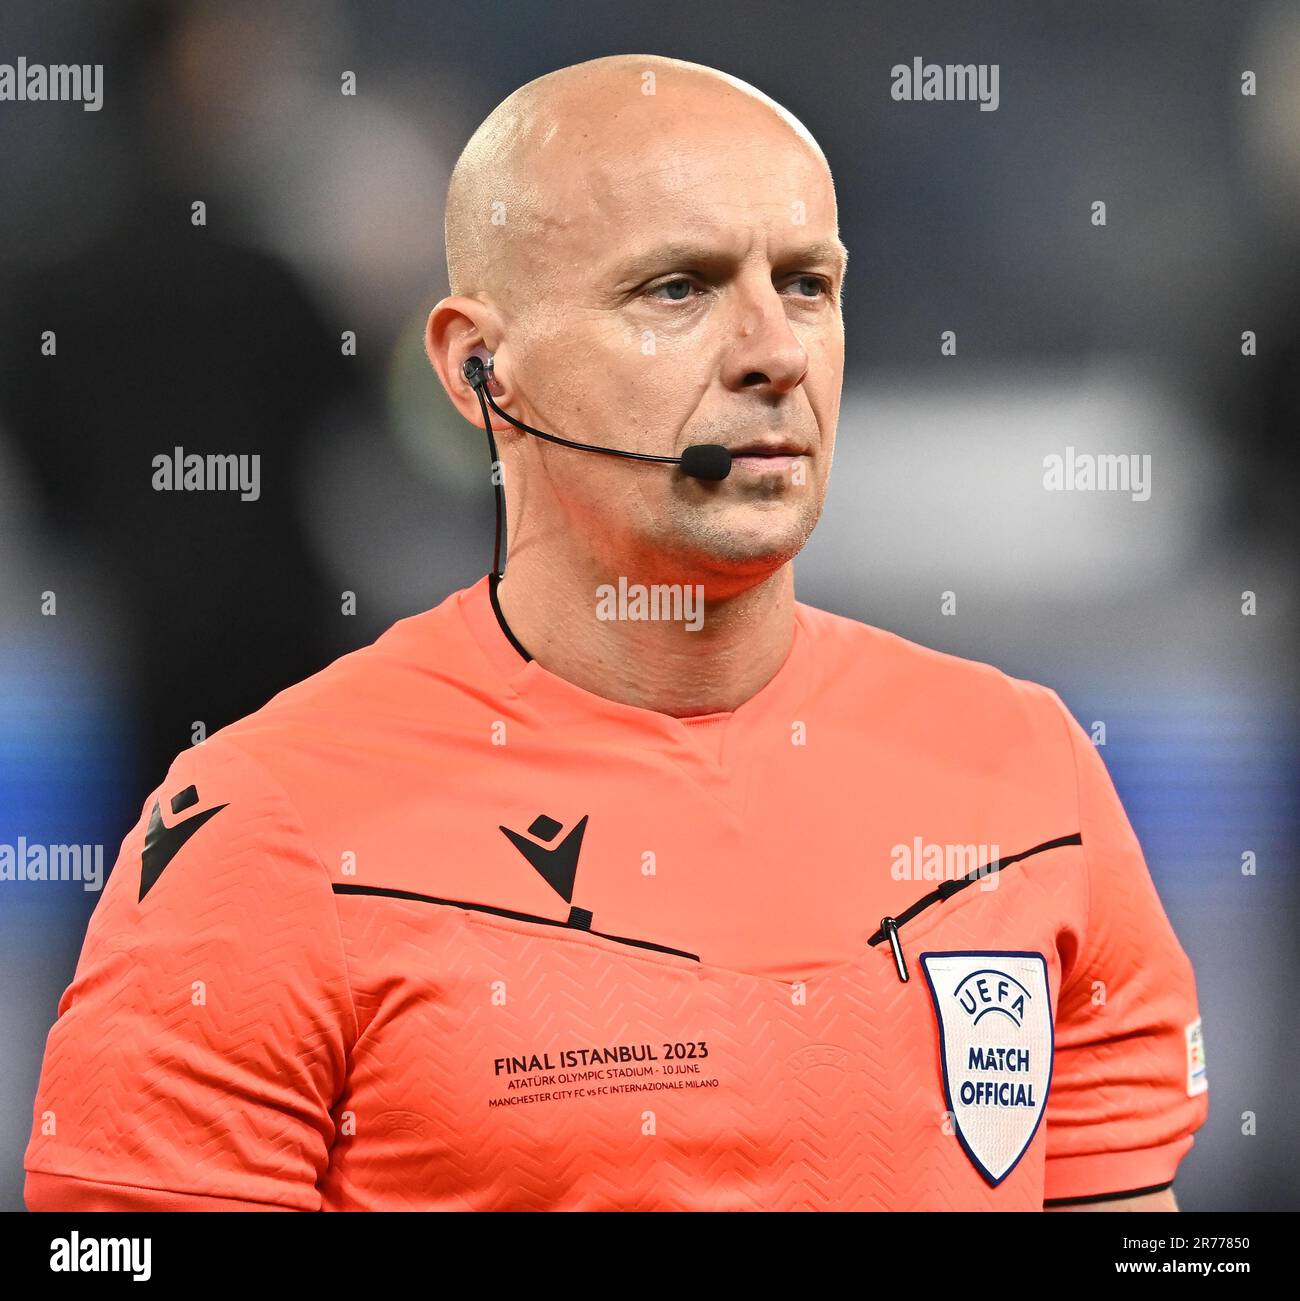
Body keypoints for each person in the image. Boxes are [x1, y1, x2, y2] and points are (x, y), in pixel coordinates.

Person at [24, 53, 1207, 1212]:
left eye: (806, 283)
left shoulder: (1024, 772)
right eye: (677, 288)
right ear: (480, 370)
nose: (774, 352)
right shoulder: (263, 830)